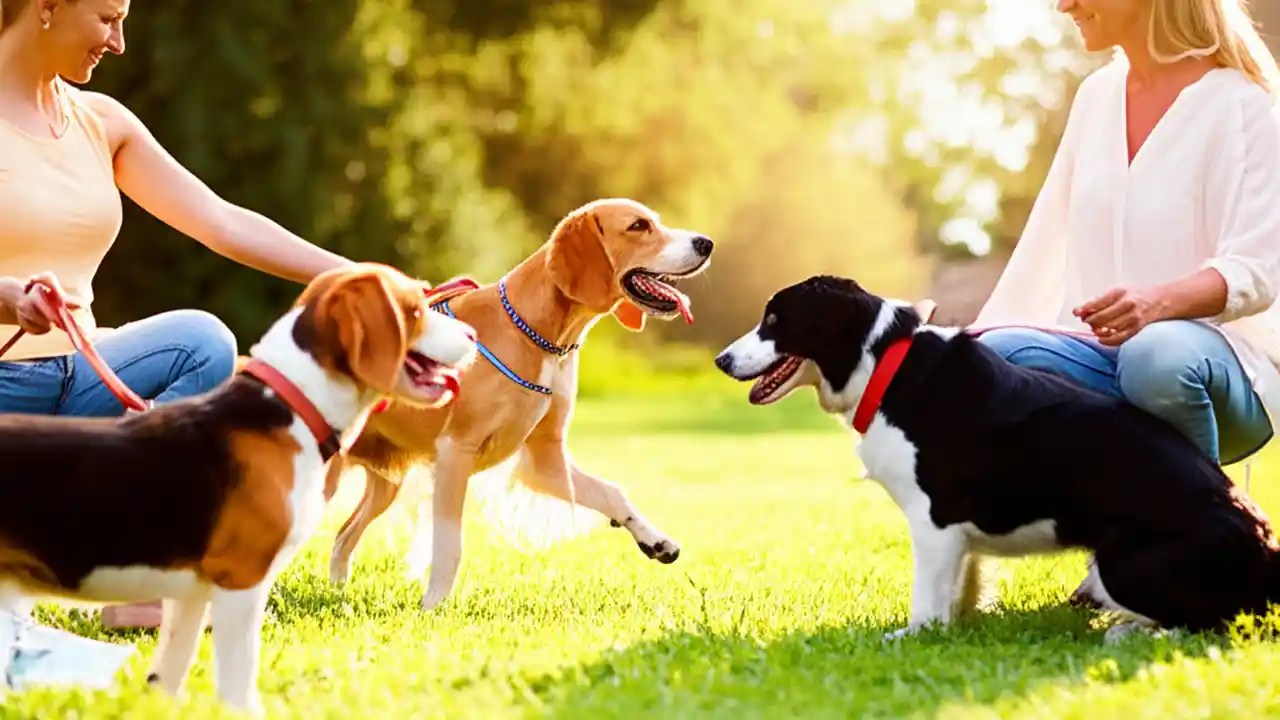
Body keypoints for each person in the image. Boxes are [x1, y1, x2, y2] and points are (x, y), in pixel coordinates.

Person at [0, 0, 355, 628]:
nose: (119, 43)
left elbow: (223, 223)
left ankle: (138, 576)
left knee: (203, 342)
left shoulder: (100, 122)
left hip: (80, 377)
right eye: (107, 19)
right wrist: (9, 295)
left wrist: (358, 277)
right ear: (47, 8)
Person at [974, 0, 1280, 603]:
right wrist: (969, 351)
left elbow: (1262, 269)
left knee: (1157, 355)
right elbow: (1046, 243)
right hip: (1105, 362)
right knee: (999, 357)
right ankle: (1113, 554)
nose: (1064, 5)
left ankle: (1208, 546)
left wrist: (1158, 302)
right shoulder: (1096, 98)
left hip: (1226, 378)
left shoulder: (1247, 107)